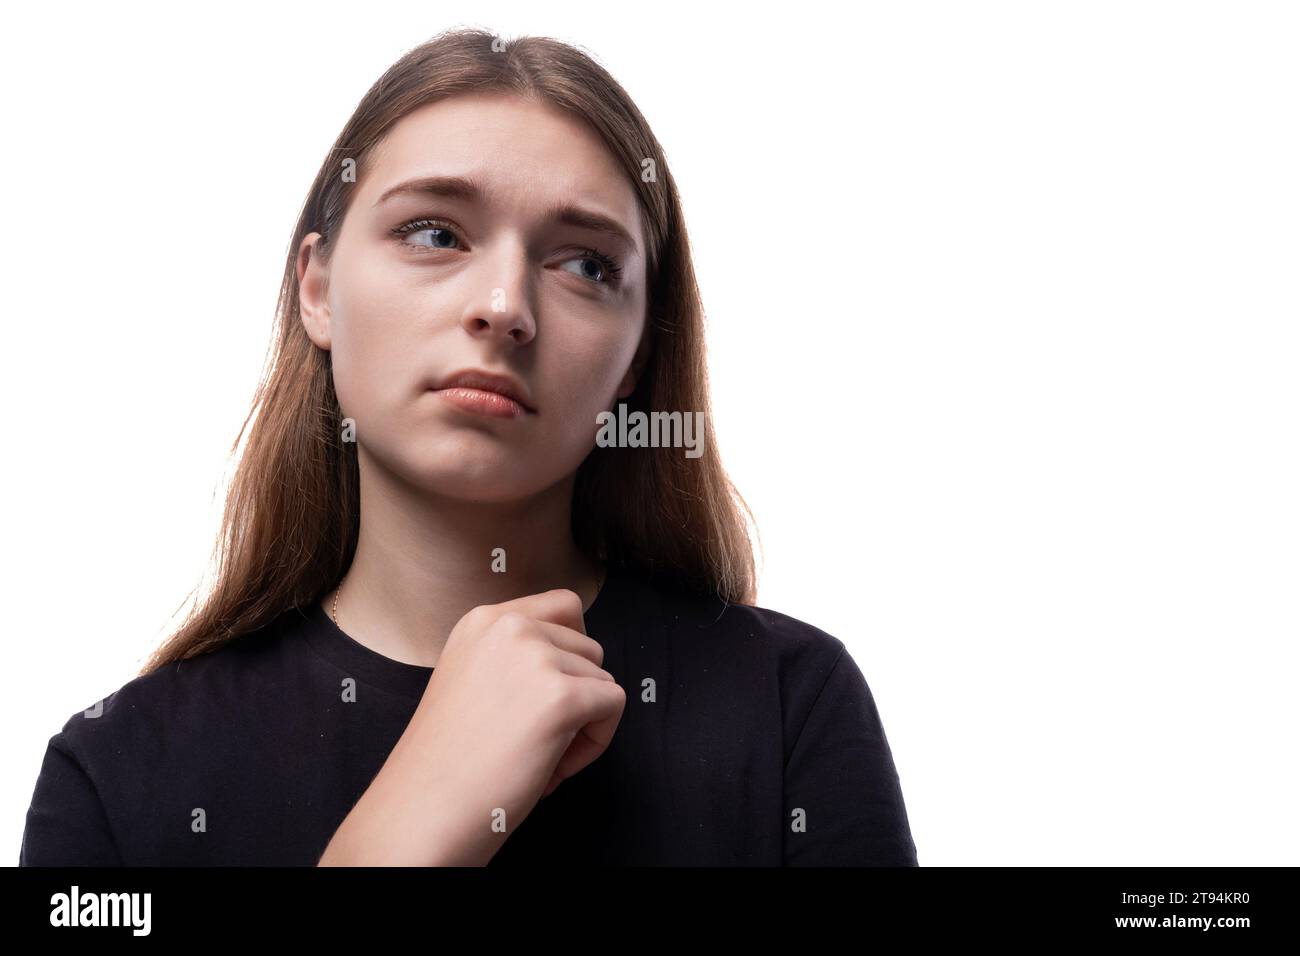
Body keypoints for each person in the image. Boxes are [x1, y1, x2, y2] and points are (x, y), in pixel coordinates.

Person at [18, 28, 918, 867]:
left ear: (638, 356)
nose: (504, 305)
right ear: (319, 288)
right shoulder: (114, 777)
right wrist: (407, 823)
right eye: (435, 233)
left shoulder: (791, 706)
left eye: (586, 265)